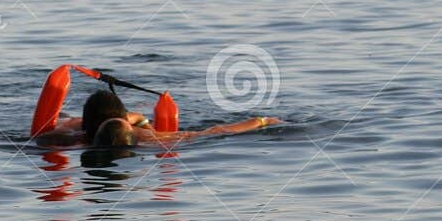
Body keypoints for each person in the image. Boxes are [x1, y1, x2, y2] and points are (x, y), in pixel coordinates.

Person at [34, 86, 278, 148]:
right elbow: (214, 131)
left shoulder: (67, 136)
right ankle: (135, 116)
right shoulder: (150, 138)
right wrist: (262, 121)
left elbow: (38, 139)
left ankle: (136, 116)